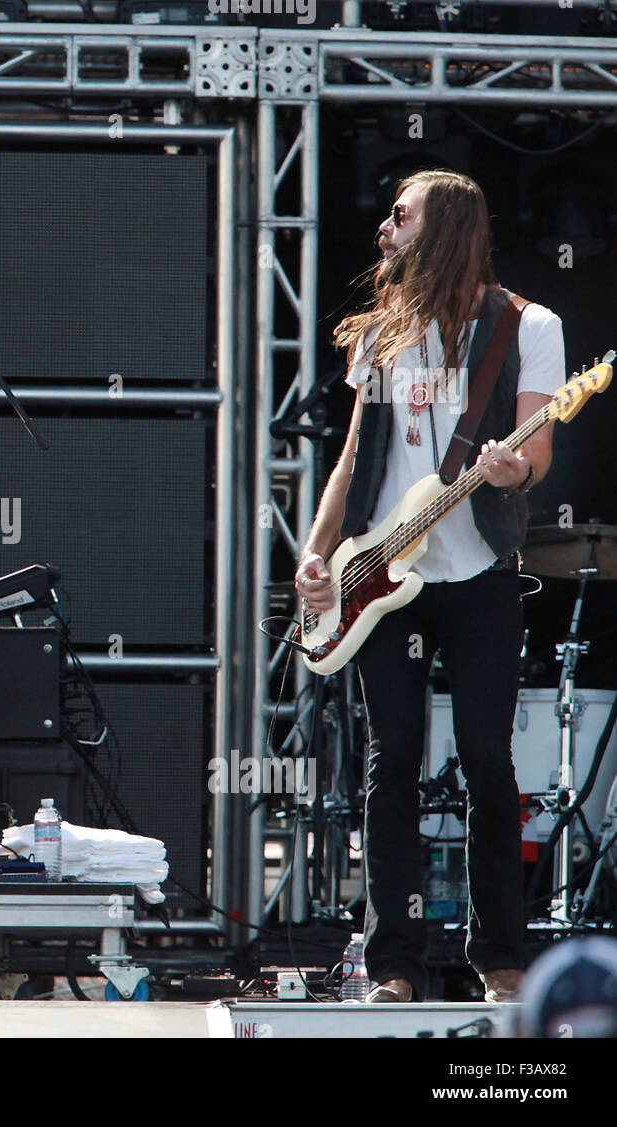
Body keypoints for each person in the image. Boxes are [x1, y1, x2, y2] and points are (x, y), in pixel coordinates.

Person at [294, 169, 564, 1003]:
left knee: (487, 759)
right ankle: (394, 965)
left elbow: (538, 449)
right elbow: (352, 458)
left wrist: (513, 467)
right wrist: (317, 552)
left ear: (443, 226)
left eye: (401, 215)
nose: (385, 226)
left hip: (480, 572)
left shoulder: (529, 325)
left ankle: (502, 960)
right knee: (392, 763)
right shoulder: (382, 334)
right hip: (383, 576)